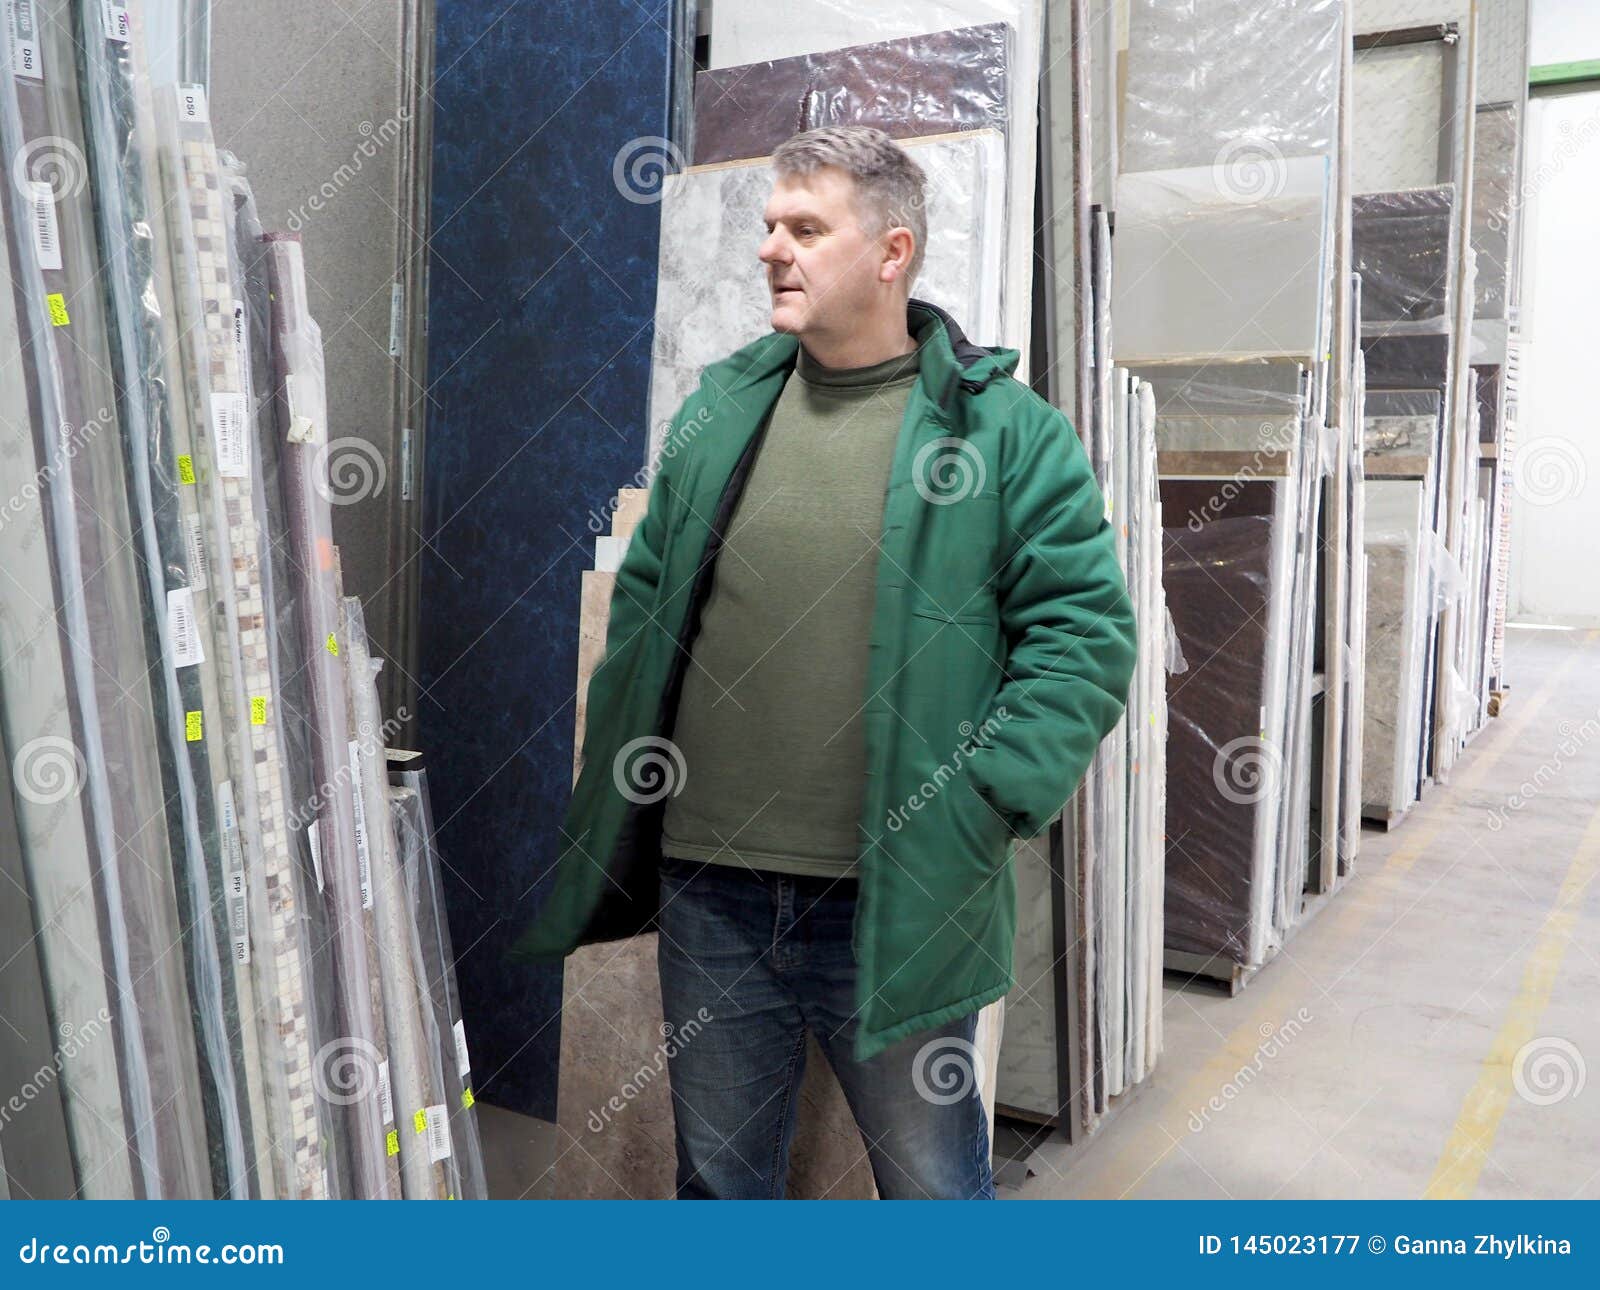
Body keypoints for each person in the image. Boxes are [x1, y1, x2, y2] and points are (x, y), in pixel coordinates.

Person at [512, 125, 1136, 1199]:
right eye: (767, 227)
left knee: (931, 1191)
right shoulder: (723, 411)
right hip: (712, 887)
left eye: (805, 228)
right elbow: (651, 598)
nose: (771, 250)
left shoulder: (1004, 435)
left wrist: (982, 799)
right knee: (717, 1183)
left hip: (896, 893)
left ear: (890, 253)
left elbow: (1083, 635)